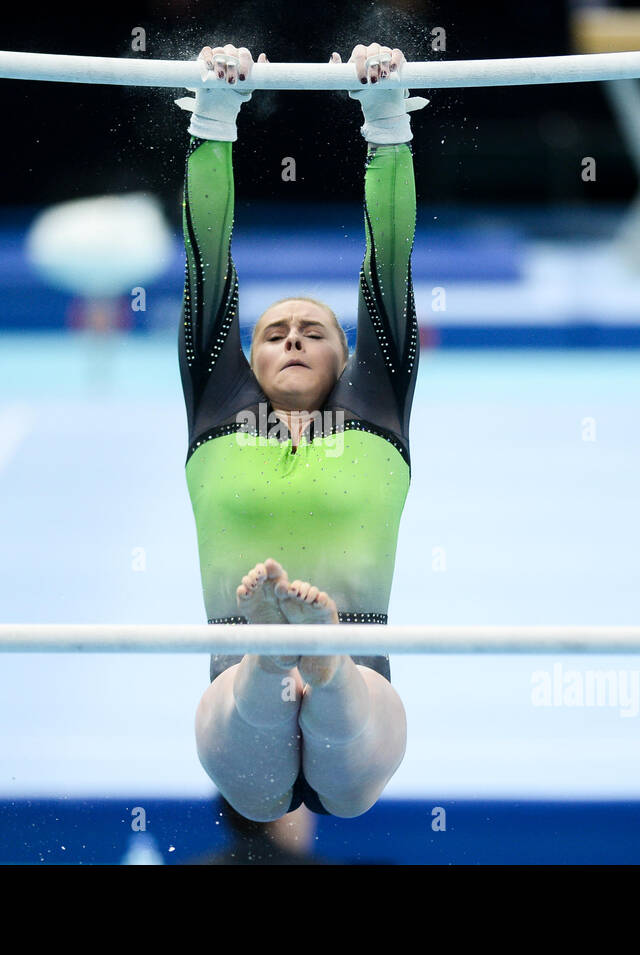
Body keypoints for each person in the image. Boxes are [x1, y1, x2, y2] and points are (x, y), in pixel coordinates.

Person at [179, 42, 425, 821]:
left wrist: (385, 117)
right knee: (252, 796)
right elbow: (206, 258)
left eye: (314, 330)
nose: (291, 337)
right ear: (245, 358)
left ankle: (318, 658)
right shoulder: (218, 407)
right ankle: (273, 656)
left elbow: (390, 259)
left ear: (350, 356)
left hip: (362, 674)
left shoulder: (376, 406)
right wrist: (214, 114)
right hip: (233, 681)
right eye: (275, 331)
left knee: (349, 792)